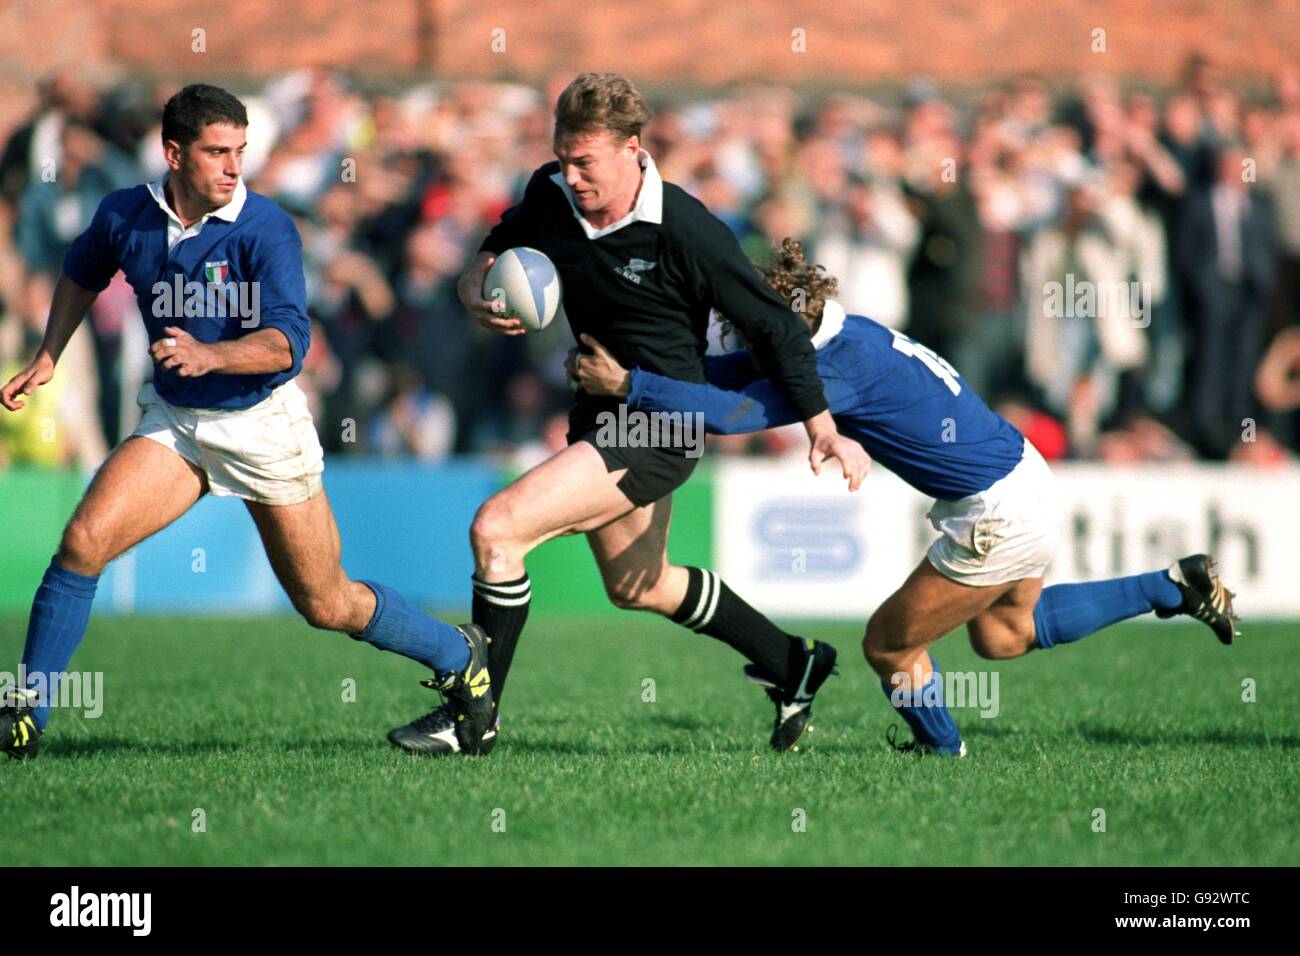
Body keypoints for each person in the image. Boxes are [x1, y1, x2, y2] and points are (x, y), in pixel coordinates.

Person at [573, 238, 1239, 756]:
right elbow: (739, 376)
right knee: (1006, 634)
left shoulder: (833, 368)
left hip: (997, 511)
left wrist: (631, 384)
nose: (744, 337)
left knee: (889, 646)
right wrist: (651, 361)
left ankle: (942, 751)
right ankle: (1171, 585)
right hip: (1024, 476)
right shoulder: (847, 332)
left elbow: (732, 413)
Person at [0, 84, 492, 761]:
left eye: (241, 151)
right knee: (84, 542)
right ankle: (25, 713)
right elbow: (82, 270)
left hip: (262, 423)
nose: (234, 167)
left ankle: (458, 653)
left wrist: (210, 353)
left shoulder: (265, 227)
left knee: (326, 603)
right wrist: (50, 353)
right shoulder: (126, 216)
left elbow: (292, 341)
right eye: (217, 152)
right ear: (174, 154)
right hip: (178, 422)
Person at [387, 73, 870, 756]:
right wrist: (476, 290)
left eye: (585, 161)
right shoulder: (550, 196)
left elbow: (776, 329)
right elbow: (493, 248)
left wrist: (822, 427)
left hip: (661, 423)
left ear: (632, 150)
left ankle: (471, 720)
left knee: (497, 529)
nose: (571, 175)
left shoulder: (688, 229)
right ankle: (796, 663)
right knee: (640, 584)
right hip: (598, 413)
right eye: (563, 158)